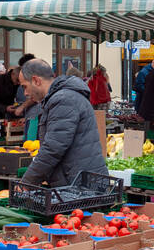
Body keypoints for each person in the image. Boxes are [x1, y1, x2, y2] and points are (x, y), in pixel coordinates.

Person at [19, 58, 108, 188]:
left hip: (80, 185)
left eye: (24, 87)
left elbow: (53, 148)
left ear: (36, 80)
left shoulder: (63, 99)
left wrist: (26, 183)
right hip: (78, 180)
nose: (25, 93)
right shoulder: (60, 98)